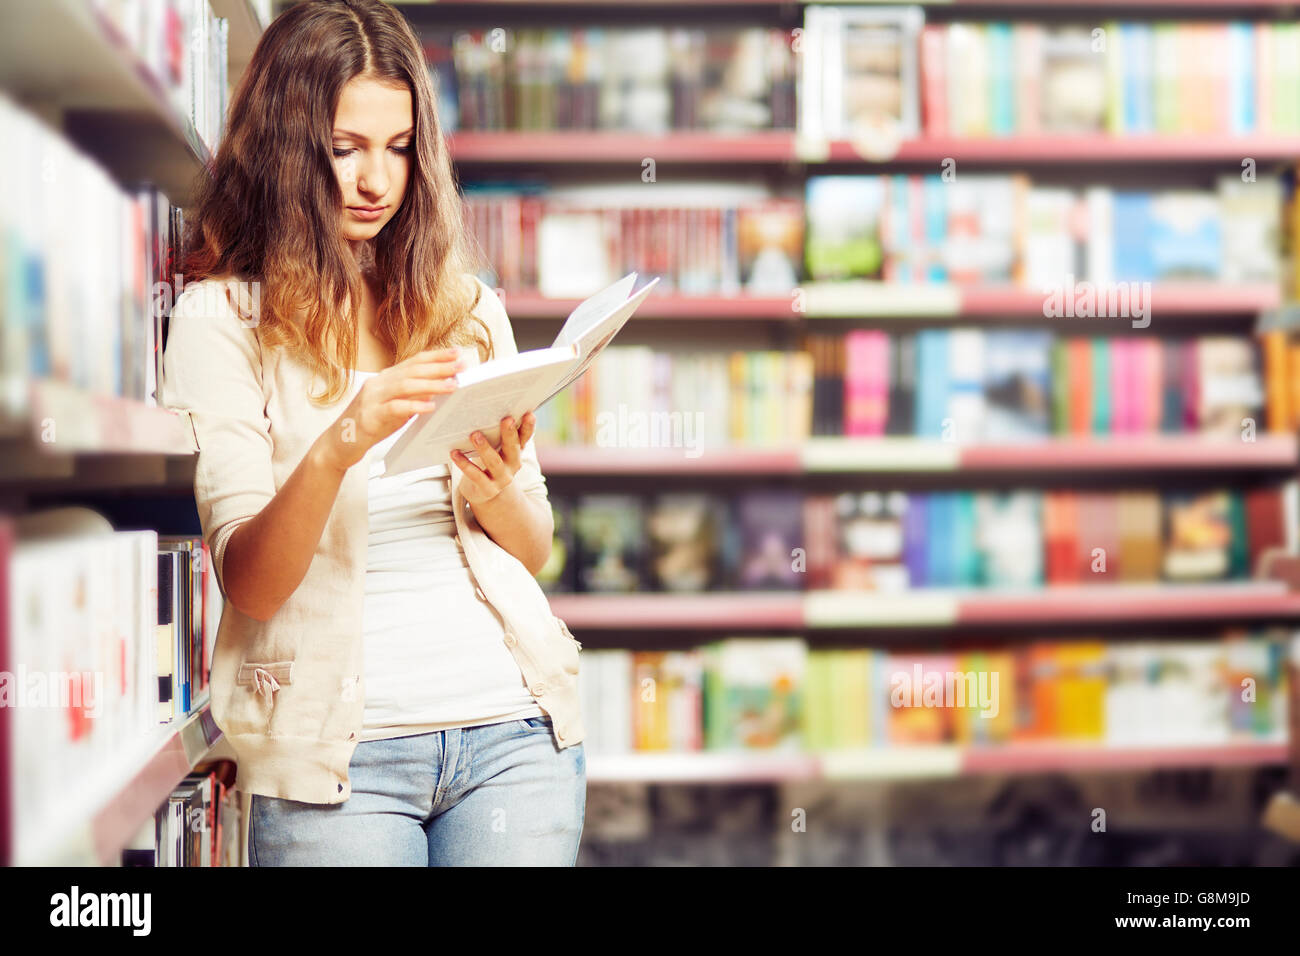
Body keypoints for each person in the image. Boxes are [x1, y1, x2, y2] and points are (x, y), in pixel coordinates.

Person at [161, 0, 585, 866]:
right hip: (334, 766)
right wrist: (341, 441)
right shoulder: (222, 320)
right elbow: (252, 585)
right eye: (344, 150)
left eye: (397, 150)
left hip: (513, 738)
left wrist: (498, 486)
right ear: (285, 150)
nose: (375, 183)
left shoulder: (464, 309)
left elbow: (534, 547)